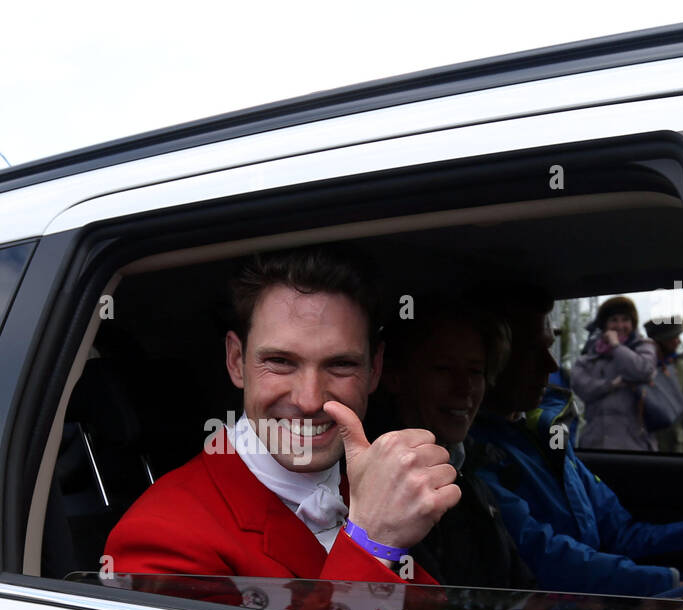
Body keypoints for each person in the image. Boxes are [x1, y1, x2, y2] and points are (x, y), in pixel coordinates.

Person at [104, 245, 461, 584]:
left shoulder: (384, 485)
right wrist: (371, 541)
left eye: (341, 365)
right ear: (236, 362)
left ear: (375, 369)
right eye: (280, 362)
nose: (308, 401)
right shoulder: (160, 536)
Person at [466, 285, 683, 597]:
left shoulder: (544, 438)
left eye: (549, 348)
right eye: (531, 351)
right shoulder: (474, 456)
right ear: (491, 359)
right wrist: (669, 585)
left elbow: (622, 536)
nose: (551, 365)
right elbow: (549, 560)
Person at [371, 296, 535, 589]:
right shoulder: (377, 490)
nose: (464, 388)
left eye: (475, 371)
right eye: (443, 369)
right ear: (394, 376)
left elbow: (517, 591)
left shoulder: (472, 474)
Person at [570, 295, 658, 451]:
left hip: (635, 446)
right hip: (594, 444)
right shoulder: (590, 356)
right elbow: (581, 386)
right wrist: (610, 385)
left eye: (625, 319)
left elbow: (644, 371)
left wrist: (616, 346)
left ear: (633, 323)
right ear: (604, 325)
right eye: (614, 320)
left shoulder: (644, 347)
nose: (620, 325)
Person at [644, 316, 683, 453]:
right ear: (662, 340)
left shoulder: (680, 365)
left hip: (673, 438)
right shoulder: (642, 366)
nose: (678, 341)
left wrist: (681, 415)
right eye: (674, 337)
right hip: (645, 439)